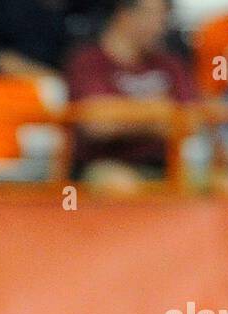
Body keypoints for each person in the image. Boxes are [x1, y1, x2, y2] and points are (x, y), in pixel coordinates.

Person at [64, 0, 195, 189]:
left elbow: (192, 119)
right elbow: (97, 123)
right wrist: (157, 113)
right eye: (154, 16)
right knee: (121, 186)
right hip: (104, 164)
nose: (160, 27)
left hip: (168, 166)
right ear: (124, 15)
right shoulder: (88, 61)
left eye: (164, 18)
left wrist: (125, 115)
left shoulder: (170, 63)